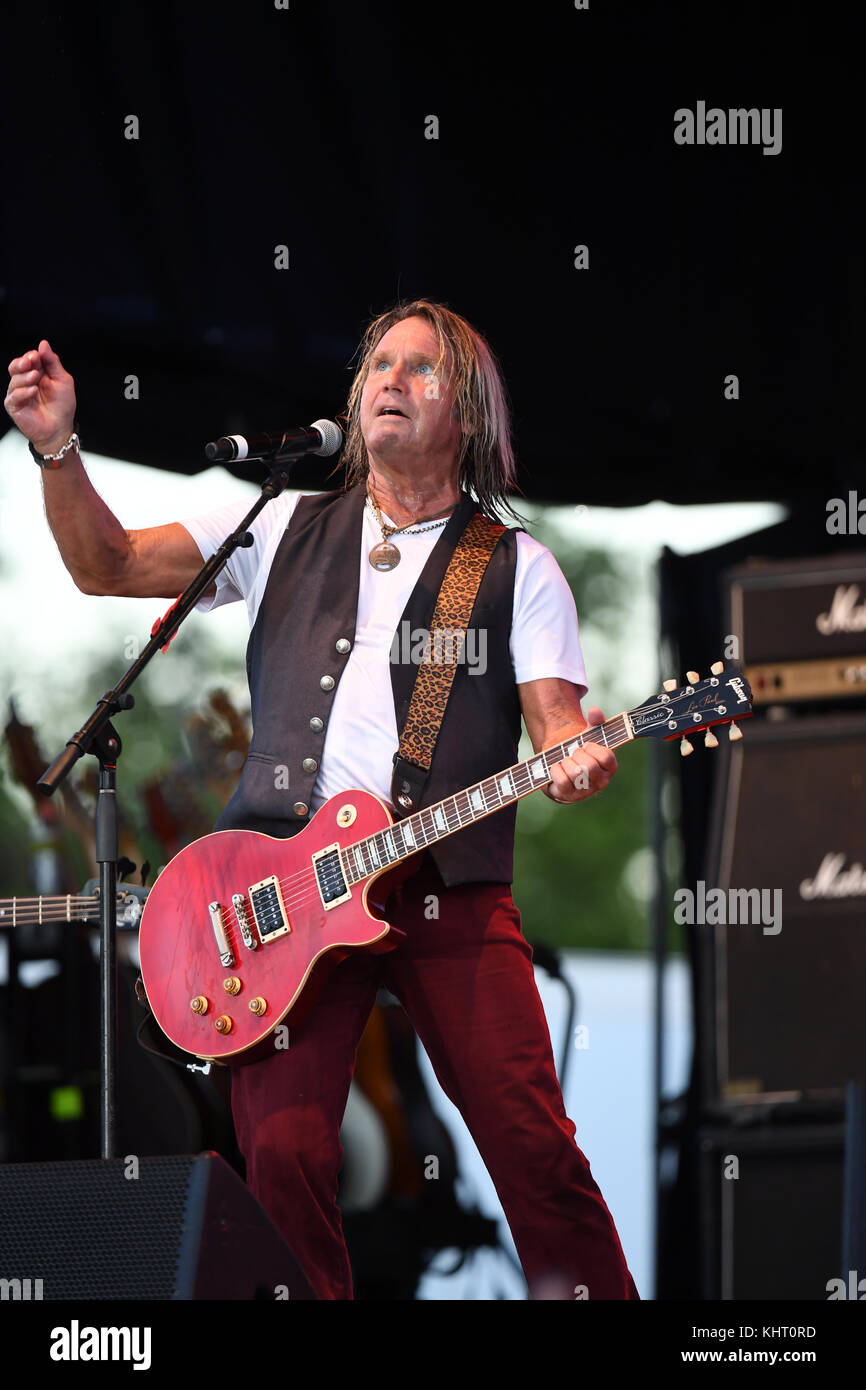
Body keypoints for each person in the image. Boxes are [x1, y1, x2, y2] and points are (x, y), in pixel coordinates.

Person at [5, 300, 639, 1300]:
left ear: (465, 413)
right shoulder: (281, 521)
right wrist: (56, 449)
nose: (389, 379)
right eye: (379, 363)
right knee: (286, 1157)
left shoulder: (515, 566)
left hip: (446, 888)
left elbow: (557, 721)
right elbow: (107, 564)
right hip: (284, 895)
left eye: (419, 369)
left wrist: (576, 757)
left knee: (530, 1150)